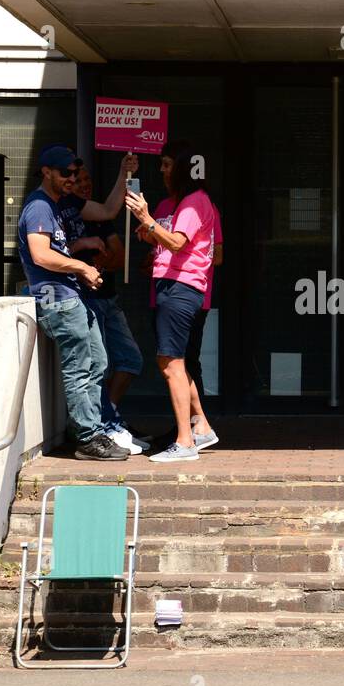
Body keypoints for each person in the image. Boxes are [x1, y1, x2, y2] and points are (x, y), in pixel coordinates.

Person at [18, 144, 130, 461]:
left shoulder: (60, 203)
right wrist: (82, 267)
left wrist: (123, 172)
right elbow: (40, 254)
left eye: (74, 172)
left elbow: (108, 210)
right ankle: (87, 438)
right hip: (57, 300)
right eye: (65, 173)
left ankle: (89, 428)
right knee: (81, 367)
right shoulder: (39, 207)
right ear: (47, 173)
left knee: (97, 361)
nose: (71, 178)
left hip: (72, 296)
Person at [126, 146, 217, 463]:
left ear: (180, 169)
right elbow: (175, 243)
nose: (162, 171)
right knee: (175, 362)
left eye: (167, 165)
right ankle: (201, 426)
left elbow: (178, 243)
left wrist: (147, 220)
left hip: (179, 288)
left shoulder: (193, 203)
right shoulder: (188, 203)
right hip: (177, 287)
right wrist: (151, 232)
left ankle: (185, 441)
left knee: (171, 363)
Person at [60, 157, 151, 455]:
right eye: (74, 179)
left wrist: (124, 171)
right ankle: (97, 427)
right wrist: (84, 250)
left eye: (85, 180)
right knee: (95, 365)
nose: (80, 184)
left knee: (128, 360)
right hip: (85, 299)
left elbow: (118, 257)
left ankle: (108, 417)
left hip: (107, 298)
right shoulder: (59, 208)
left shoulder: (93, 212)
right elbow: (55, 252)